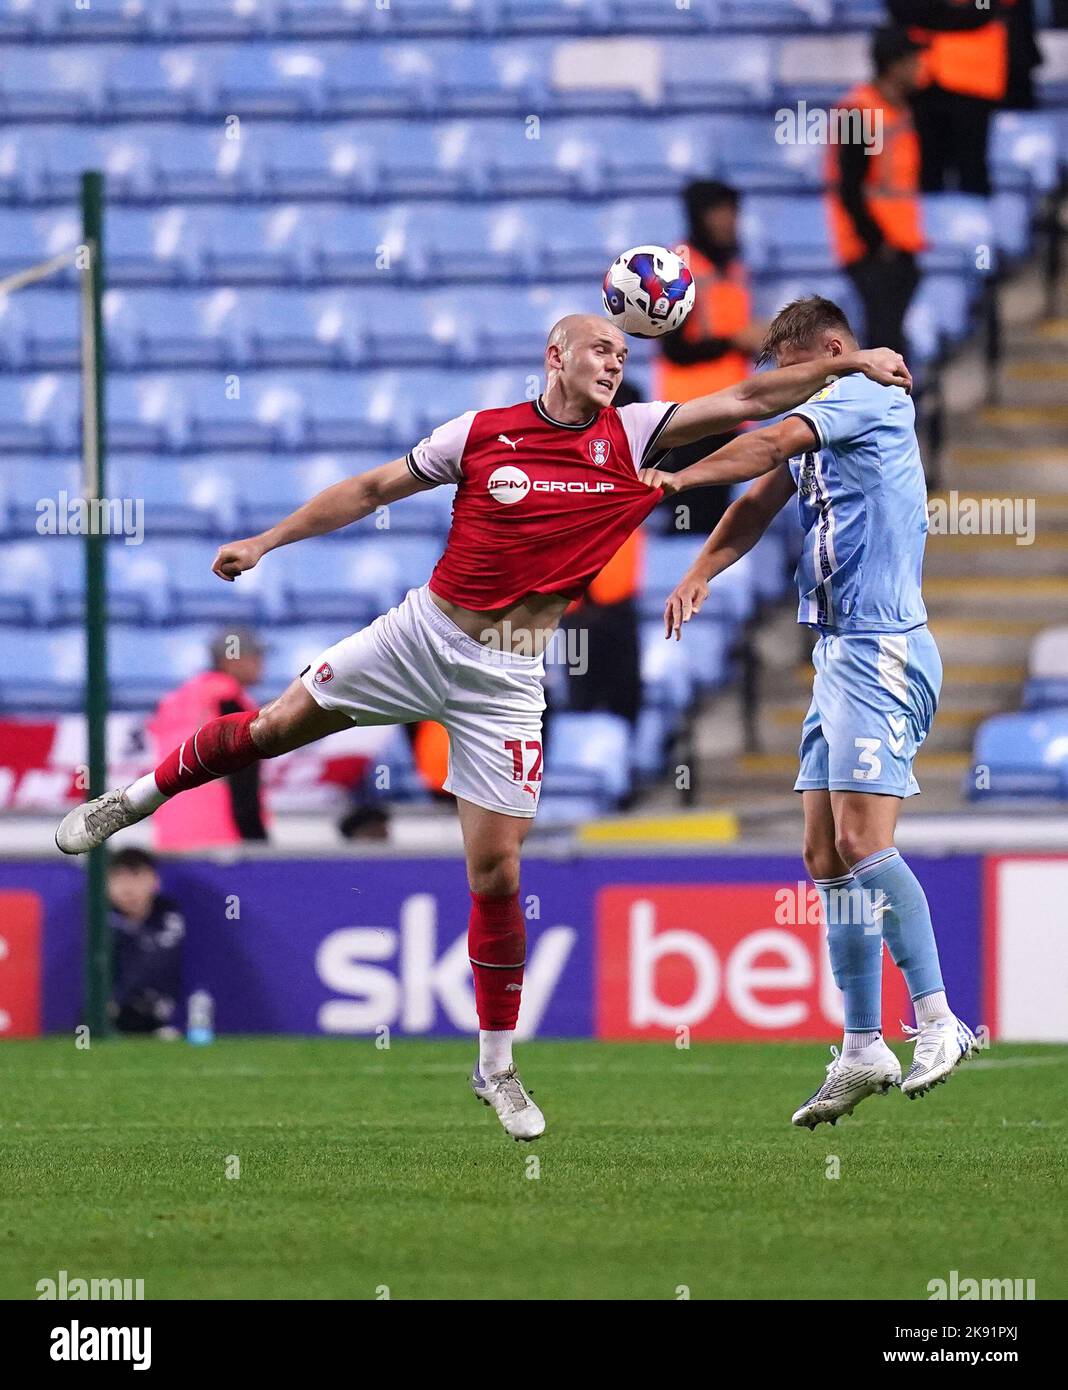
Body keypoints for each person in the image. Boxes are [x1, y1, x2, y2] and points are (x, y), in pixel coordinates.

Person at [56, 314, 910, 1140]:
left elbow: (754, 400)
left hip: (505, 679)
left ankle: (495, 1065)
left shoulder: (638, 431)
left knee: (497, 871)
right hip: (422, 634)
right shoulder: (481, 433)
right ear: (556, 355)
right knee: (274, 724)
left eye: (622, 352)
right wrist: (269, 540)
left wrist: (850, 361)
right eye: (600, 349)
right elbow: (371, 488)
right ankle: (130, 802)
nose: (614, 363)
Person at [646, 296, 976, 1128]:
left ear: (833, 349)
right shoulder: (823, 411)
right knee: (825, 852)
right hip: (837, 653)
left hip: (882, 647)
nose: (785, 389)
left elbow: (769, 438)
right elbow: (759, 499)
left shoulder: (867, 393)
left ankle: (940, 1020)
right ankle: (863, 1045)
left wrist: (680, 474)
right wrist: (700, 572)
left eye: (793, 371)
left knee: (866, 841)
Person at [654, 180, 764, 535]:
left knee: (718, 516)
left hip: (728, 411)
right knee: (690, 518)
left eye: (732, 211)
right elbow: (674, 348)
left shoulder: (732, 265)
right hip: (690, 415)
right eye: (718, 212)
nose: (727, 220)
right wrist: (734, 341)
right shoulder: (677, 269)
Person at [827, 26, 926, 358]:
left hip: (898, 245)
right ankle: (883, 409)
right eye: (914, 60)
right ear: (894, 66)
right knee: (884, 341)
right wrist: (876, 242)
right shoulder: (858, 112)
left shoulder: (901, 111)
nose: (920, 67)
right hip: (873, 249)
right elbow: (849, 187)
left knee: (892, 341)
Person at [148, 626, 269, 851]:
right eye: (256, 656)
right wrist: (257, 840)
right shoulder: (227, 700)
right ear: (231, 660)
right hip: (223, 836)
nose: (262, 664)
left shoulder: (177, 700)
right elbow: (243, 778)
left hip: (171, 835)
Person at [889, 0, 1015, 195]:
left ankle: (976, 224)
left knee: (972, 169)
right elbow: (904, 9)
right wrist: (948, 10)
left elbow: (986, 7)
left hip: (973, 80)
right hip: (920, 77)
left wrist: (938, 15)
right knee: (924, 169)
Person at [106, 847, 185, 1037]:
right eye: (118, 877)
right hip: (110, 1018)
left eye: (136, 876)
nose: (128, 888)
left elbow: (155, 961)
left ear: (155, 881)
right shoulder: (101, 919)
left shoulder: (168, 915)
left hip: (158, 1019)